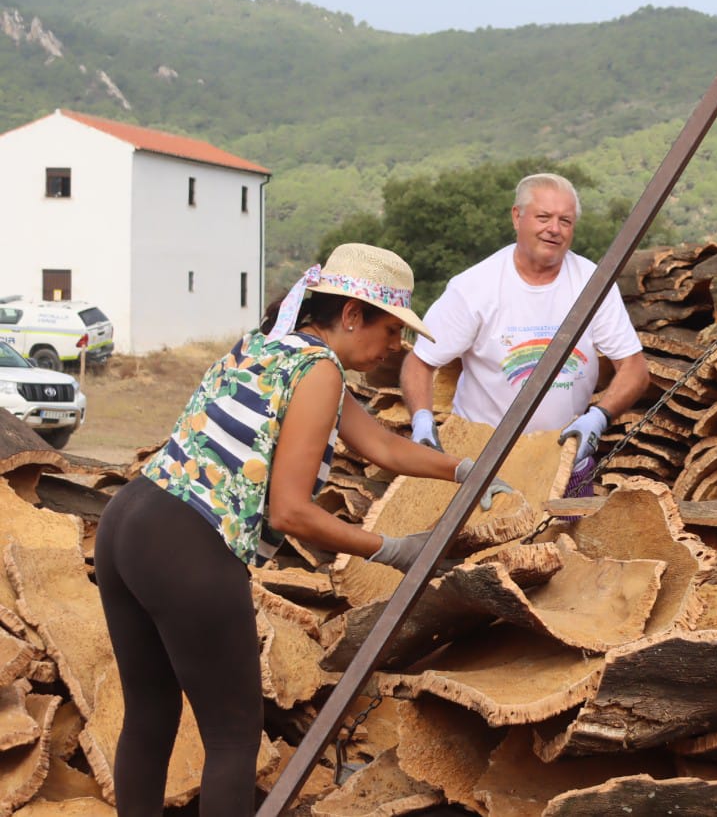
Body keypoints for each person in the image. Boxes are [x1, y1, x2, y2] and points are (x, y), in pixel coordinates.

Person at [95, 243, 509, 816]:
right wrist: (390, 550)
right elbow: (291, 512)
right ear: (351, 315)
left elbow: (382, 445)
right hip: (186, 542)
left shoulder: (272, 344)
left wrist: (465, 470)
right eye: (391, 330)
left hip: (129, 522)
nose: (395, 347)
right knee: (234, 735)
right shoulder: (318, 371)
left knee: (150, 712)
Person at [401, 172, 648, 496]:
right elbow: (420, 362)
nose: (554, 229)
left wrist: (599, 417)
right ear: (517, 217)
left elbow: (635, 368)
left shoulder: (593, 283)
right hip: (482, 464)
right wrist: (421, 420)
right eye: (543, 217)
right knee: (479, 546)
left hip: (564, 462)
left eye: (566, 221)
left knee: (566, 543)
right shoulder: (475, 287)